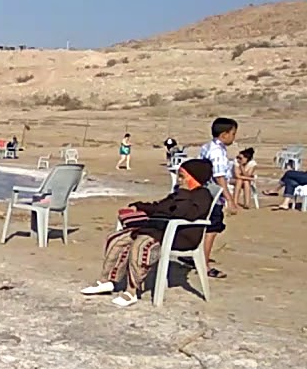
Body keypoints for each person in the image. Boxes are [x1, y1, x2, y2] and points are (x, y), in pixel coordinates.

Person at [81, 159, 214, 307]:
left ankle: (131, 290)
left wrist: (183, 194)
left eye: (182, 176)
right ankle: (107, 281)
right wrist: (139, 207)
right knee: (118, 239)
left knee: (141, 244)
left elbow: (184, 213)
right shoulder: (178, 193)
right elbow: (160, 207)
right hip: (161, 230)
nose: (179, 180)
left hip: (181, 235)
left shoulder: (202, 195)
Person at [199, 118, 238, 279]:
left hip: (204, 193)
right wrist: (229, 199)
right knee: (212, 229)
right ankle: (205, 264)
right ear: (224, 134)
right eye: (233, 134)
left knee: (205, 228)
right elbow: (219, 176)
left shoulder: (208, 147)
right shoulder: (217, 152)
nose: (234, 137)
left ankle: (200, 257)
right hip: (213, 195)